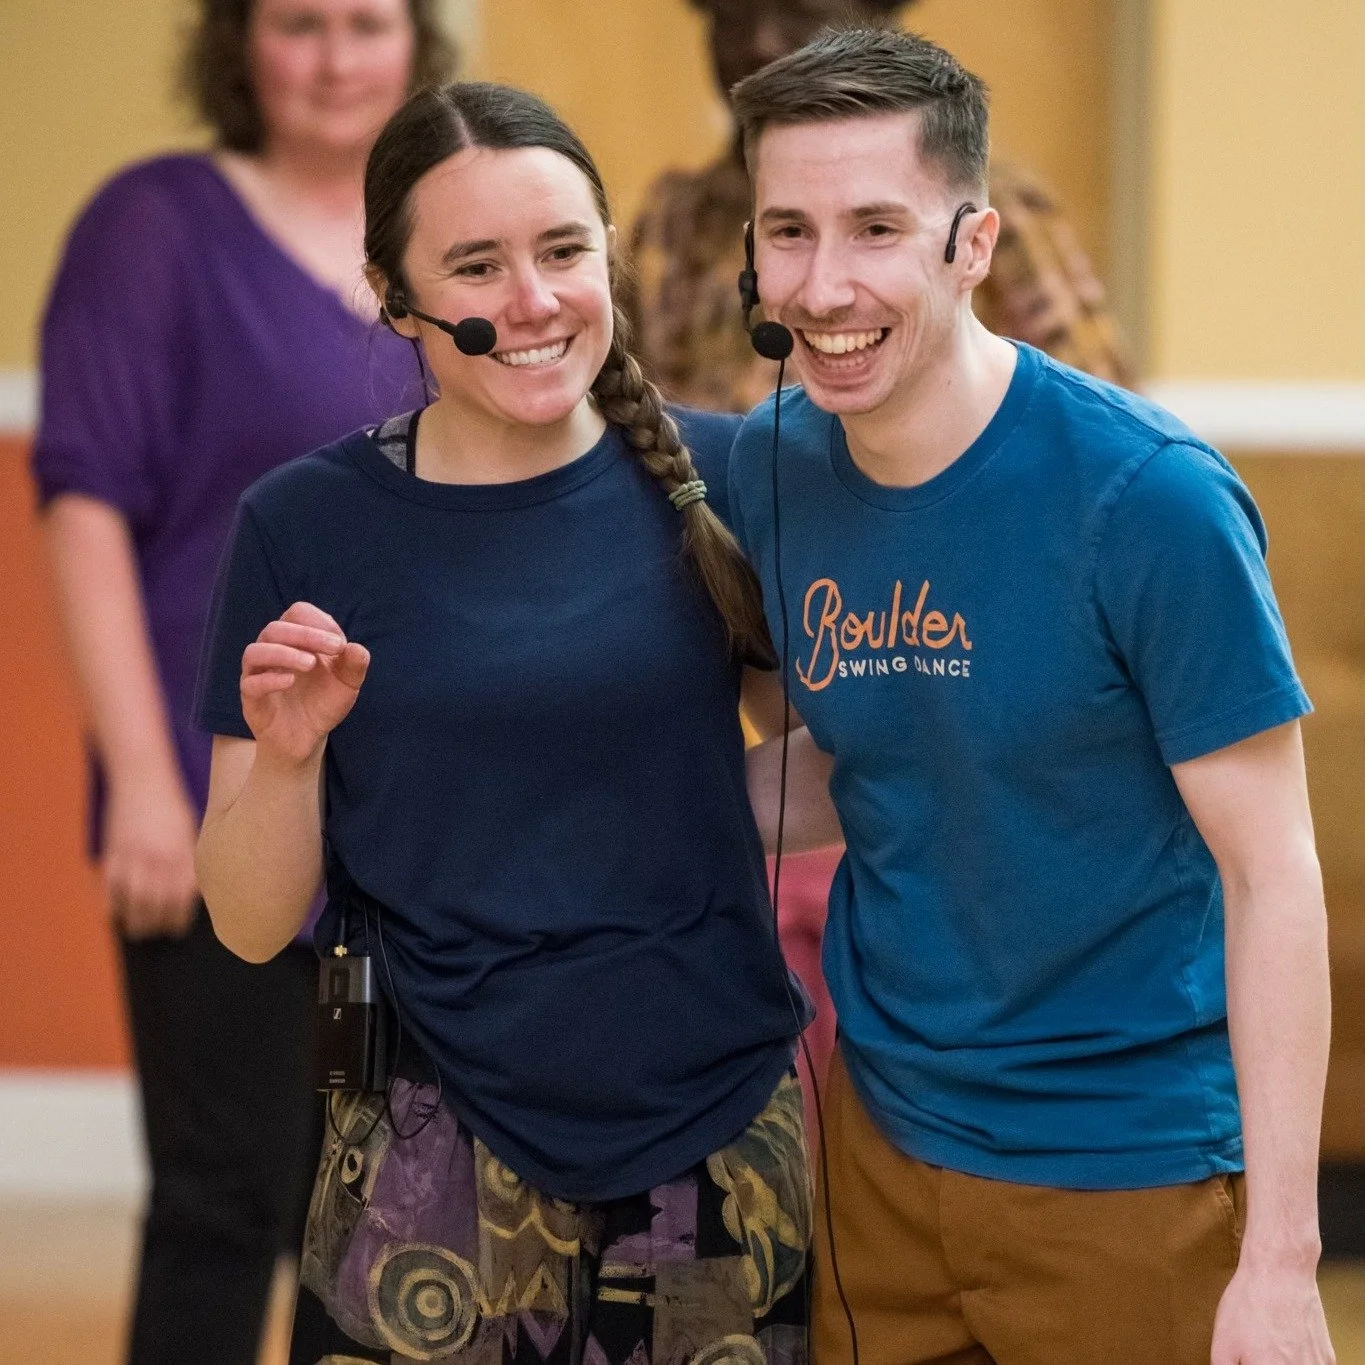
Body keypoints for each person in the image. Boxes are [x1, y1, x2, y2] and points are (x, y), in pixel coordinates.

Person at [728, 27, 1335, 1365]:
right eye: (788, 231)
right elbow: (889, 753)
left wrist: (1283, 1261)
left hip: (1125, 1175)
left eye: (876, 227)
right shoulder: (778, 468)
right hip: (877, 1153)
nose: (823, 285)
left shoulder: (1150, 501)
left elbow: (1272, 874)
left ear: (972, 242)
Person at [193, 80, 813, 1365]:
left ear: (609, 257)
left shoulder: (732, 480)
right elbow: (252, 925)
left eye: (564, 251)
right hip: (422, 1165)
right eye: (477, 265)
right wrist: (297, 753)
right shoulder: (301, 527)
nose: (532, 302)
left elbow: (816, 773)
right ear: (394, 293)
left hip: (713, 1147)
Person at [623, 0, 1135, 1126]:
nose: (761, 42)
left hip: (951, 727)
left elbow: (1090, 467)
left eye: (800, 12)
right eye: (734, 15)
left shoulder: (996, 220)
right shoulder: (666, 224)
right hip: (760, 706)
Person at [32, 2, 454, 1360]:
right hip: (213, 796)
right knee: (230, 1197)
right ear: (239, 46)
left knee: (394, 1221)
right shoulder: (154, 226)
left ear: (415, 43)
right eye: (297, 24)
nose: (335, 58)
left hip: (416, 826)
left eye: (366, 22)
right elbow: (85, 504)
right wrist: (147, 786)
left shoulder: (447, 237)